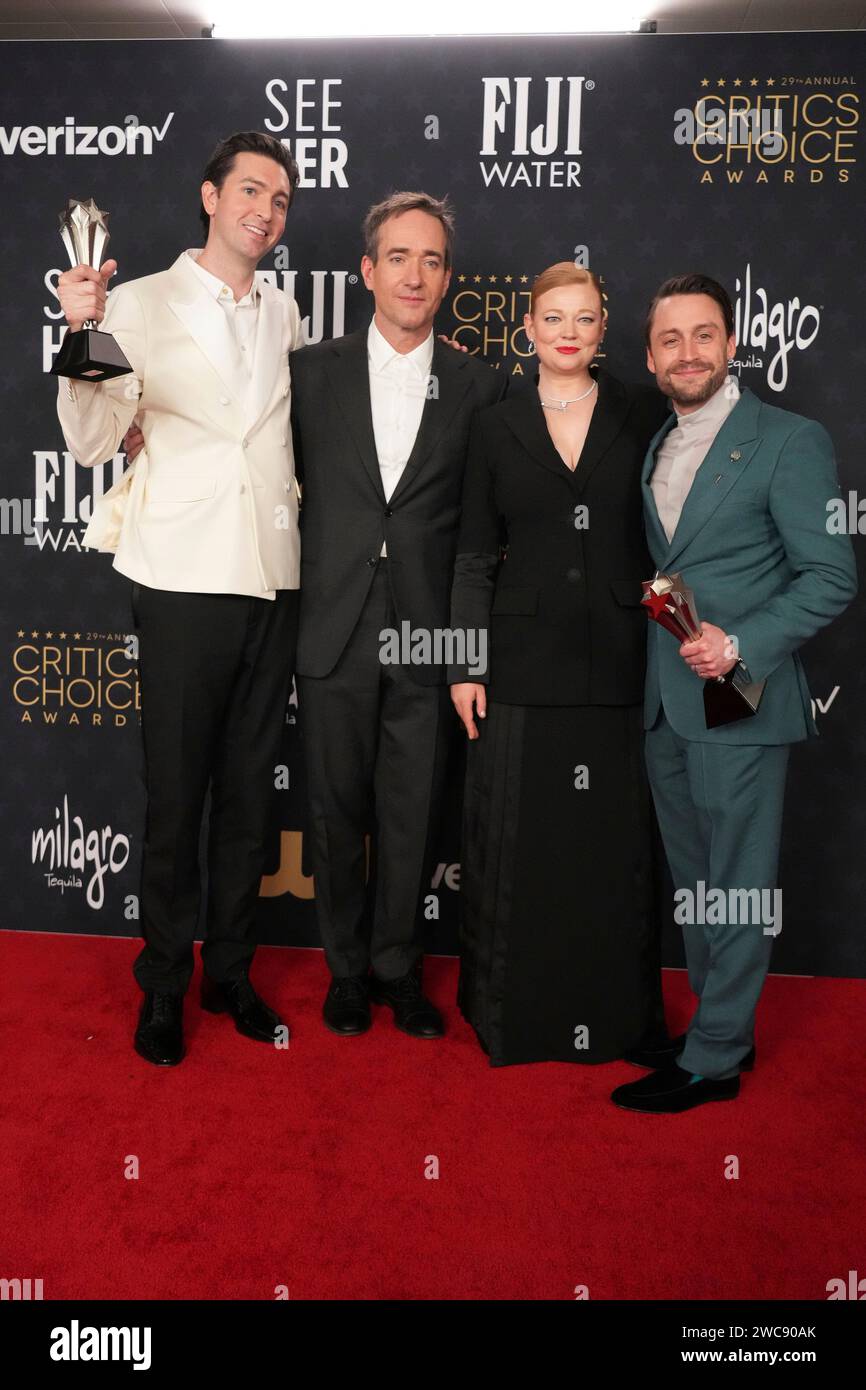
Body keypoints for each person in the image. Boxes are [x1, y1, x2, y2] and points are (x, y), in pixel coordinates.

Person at [56, 131, 305, 1066]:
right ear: (210, 196)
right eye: (250, 190)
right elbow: (92, 439)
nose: (266, 211)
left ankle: (231, 972)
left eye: (280, 198)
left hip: (273, 576)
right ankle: (163, 986)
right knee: (176, 797)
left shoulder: (287, 318)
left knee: (249, 794)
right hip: (178, 577)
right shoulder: (136, 302)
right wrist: (81, 329)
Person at [611, 273, 857, 1114]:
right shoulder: (656, 443)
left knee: (739, 882)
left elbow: (831, 574)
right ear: (650, 356)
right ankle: (724, 1031)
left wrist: (741, 642)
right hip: (667, 701)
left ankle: (712, 1063)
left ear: (731, 343)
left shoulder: (788, 440)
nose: (688, 353)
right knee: (696, 882)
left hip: (741, 694)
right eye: (671, 339)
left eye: (703, 335)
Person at [289, 192, 506, 1040]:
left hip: (429, 629)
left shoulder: (482, 384)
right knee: (336, 811)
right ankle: (345, 971)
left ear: (447, 277)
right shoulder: (310, 371)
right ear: (367, 270)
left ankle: (396, 966)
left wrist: (464, 654)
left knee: (413, 811)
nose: (416, 275)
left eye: (433, 260)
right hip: (333, 621)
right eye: (400, 257)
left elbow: (480, 537)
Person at [449, 262, 671, 1066]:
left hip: (622, 658)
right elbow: (474, 553)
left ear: (602, 328)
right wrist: (464, 663)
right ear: (530, 328)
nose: (568, 331)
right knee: (516, 845)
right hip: (518, 667)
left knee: (613, 848)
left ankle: (623, 1021)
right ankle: (511, 1019)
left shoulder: (642, 412)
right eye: (554, 317)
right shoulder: (494, 423)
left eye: (584, 318)